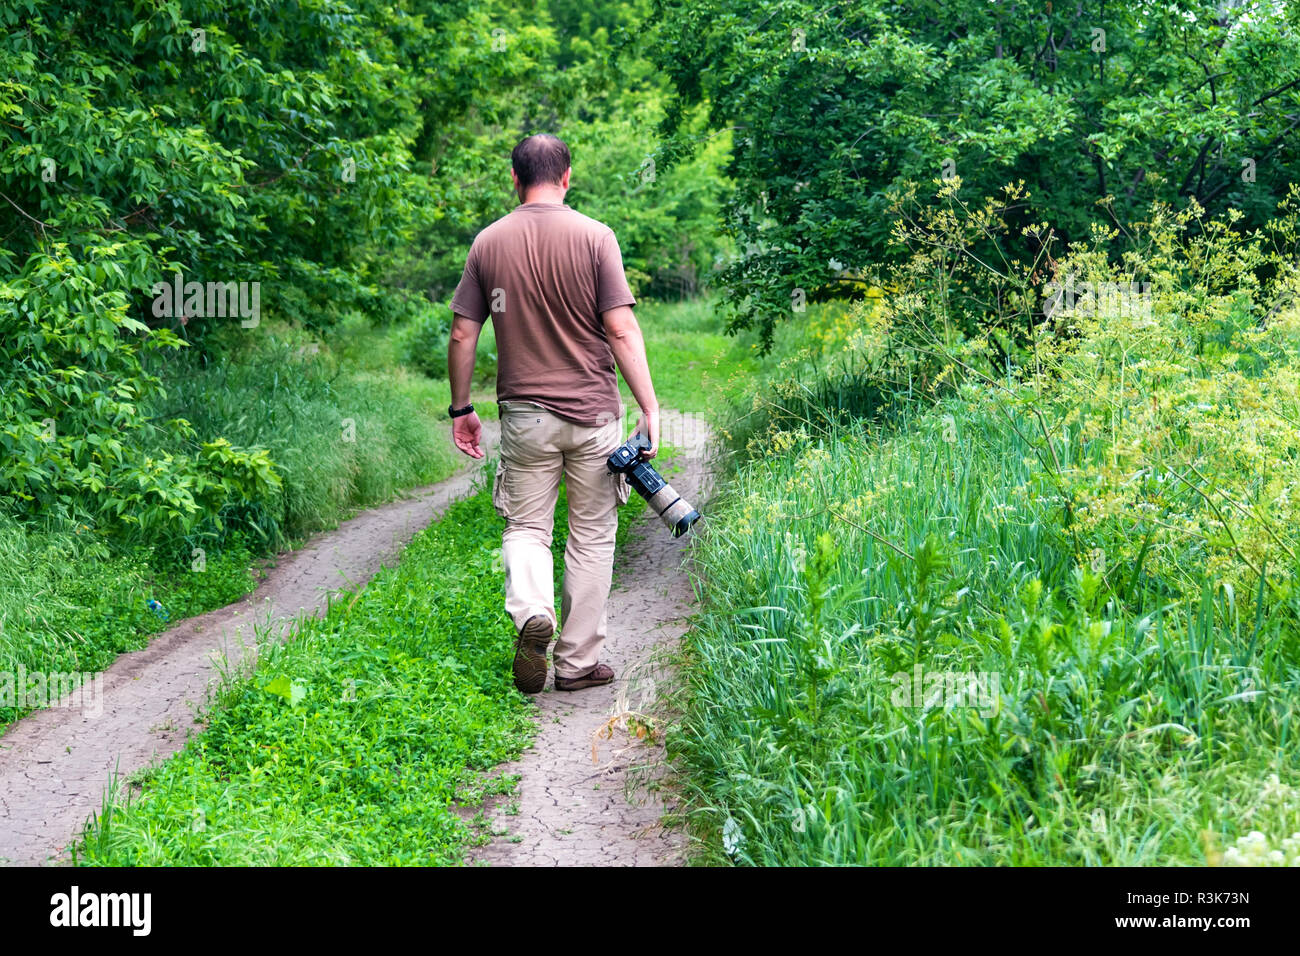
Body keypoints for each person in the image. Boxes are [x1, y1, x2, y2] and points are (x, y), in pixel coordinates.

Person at [446, 133, 661, 694]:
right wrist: (649, 404)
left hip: (524, 417)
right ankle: (577, 662)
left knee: (526, 528)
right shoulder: (596, 237)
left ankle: (533, 612)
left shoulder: (488, 243)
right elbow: (619, 327)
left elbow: (464, 331)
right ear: (567, 177)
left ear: (514, 179)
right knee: (591, 537)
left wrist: (462, 407)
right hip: (592, 415)